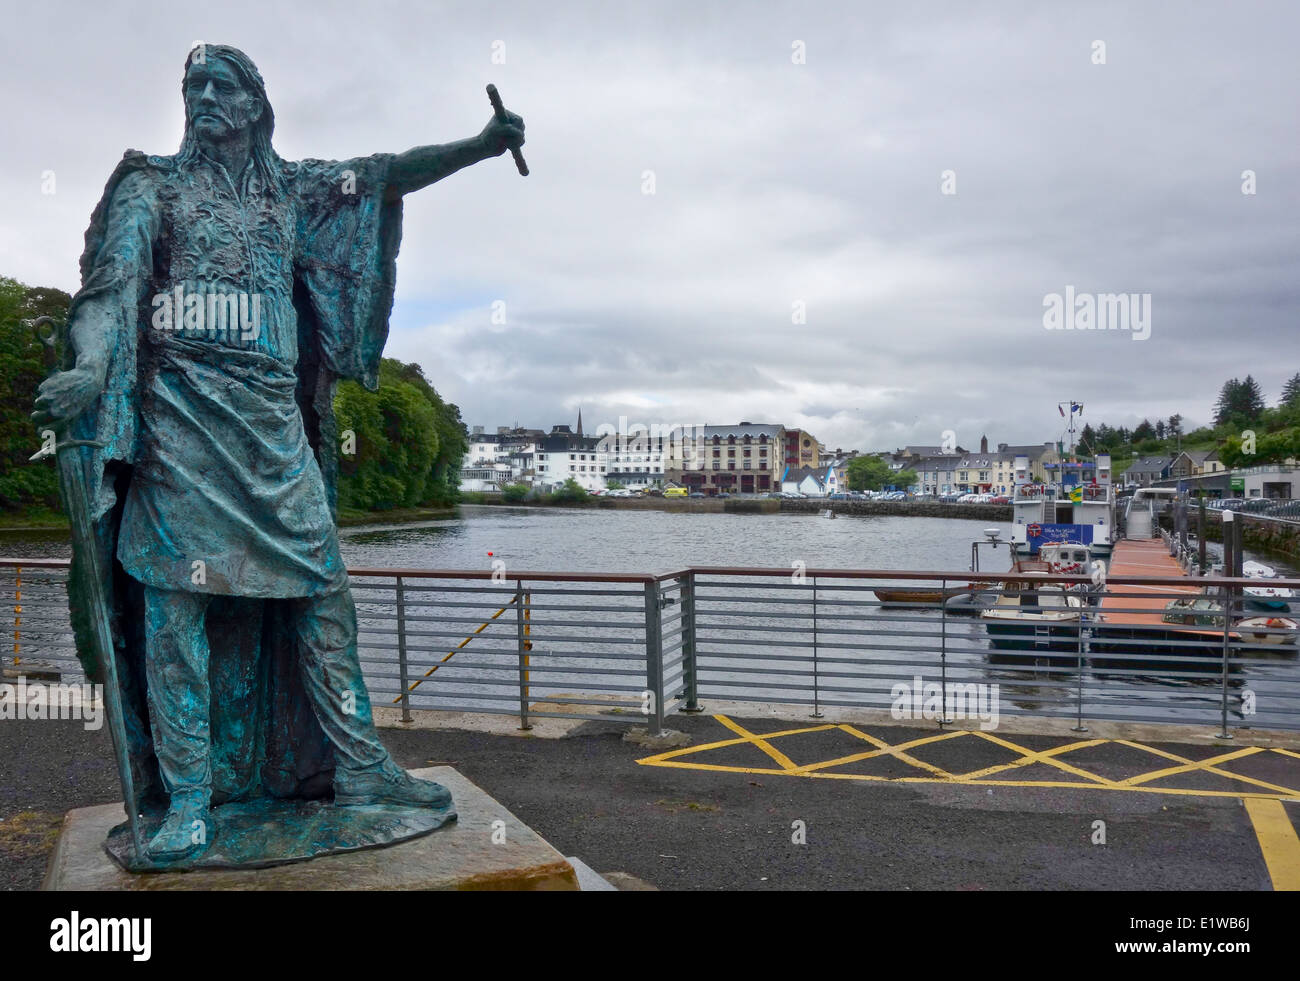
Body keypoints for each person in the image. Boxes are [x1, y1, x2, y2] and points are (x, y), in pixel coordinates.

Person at [32, 44, 524, 862]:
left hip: (270, 432)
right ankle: (189, 799)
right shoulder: (151, 185)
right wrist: (89, 367)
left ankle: (361, 767)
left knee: (323, 593)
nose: (203, 97)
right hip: (181, 428)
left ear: (258, 104)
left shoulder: (293, 190)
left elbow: (381, 175)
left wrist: (477, 147)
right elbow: (110, 291)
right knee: (173, 608)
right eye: (193, 85)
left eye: (221, 85)